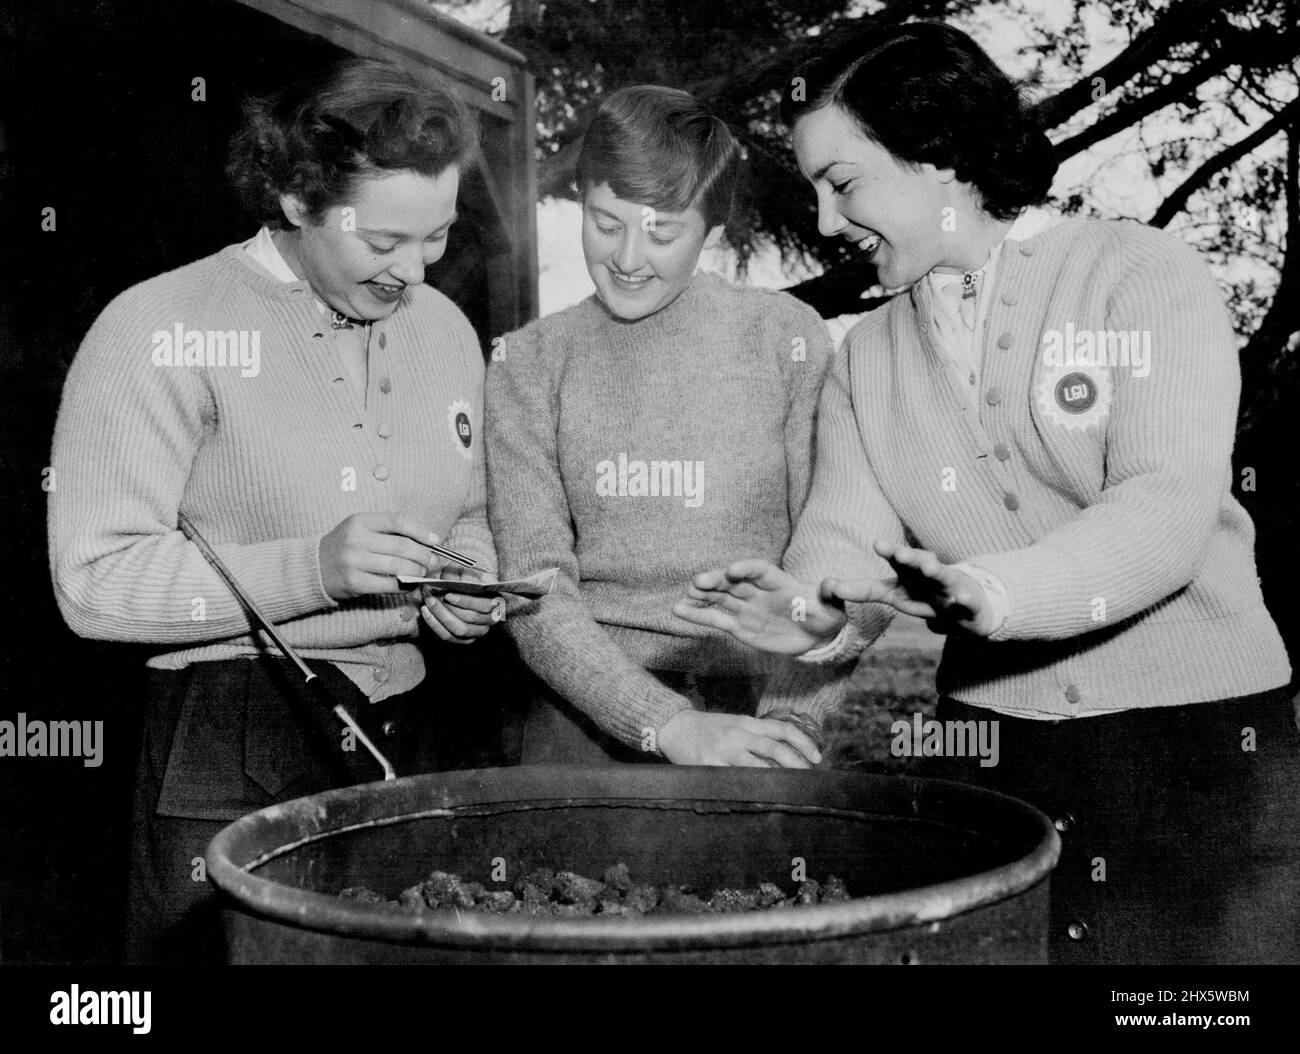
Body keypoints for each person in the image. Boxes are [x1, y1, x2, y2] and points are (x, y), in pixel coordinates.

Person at [674, 22, 1297, 964]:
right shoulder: (867, 359)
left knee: (1193, 1013)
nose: (827, 222)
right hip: (1003, 755)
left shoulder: (1140, 275)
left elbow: (1164, 510)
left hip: (1197, 751)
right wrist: (804, 615)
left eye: (842, 184)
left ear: (939, 157)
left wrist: (1000, 593)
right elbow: (843, 545)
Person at [48, 58, 499, 964]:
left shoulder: (445, 331)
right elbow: (92, 585)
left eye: (438, 236)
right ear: (297, 196)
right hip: (227, 733)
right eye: (382, 241)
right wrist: (314, 569)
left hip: (406, 726)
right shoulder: (158, 324)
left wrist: (468, 582)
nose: (414, 271)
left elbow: (470, 512)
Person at [486, 86, 831, 768]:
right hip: (580, 707)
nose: (628, 258)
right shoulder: (527, 361)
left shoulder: (786, 338)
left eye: (663, 231)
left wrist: (795, 720)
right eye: (605, 222)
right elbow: (534, 589)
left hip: (759, 699)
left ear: (713, 230)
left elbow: (833, 553)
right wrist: (666, 724)